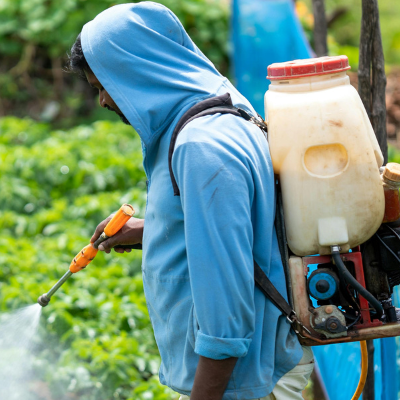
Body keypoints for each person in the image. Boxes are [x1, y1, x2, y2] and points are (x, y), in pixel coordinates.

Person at [70, 3, 314, 400]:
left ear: (137, 71)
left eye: (104, 85)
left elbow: (226, 306)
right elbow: (243, 224)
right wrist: (153, 231)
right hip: (245, 371)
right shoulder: (221, 104)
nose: (102, 101)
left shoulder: (201, 148)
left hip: (241, 379)